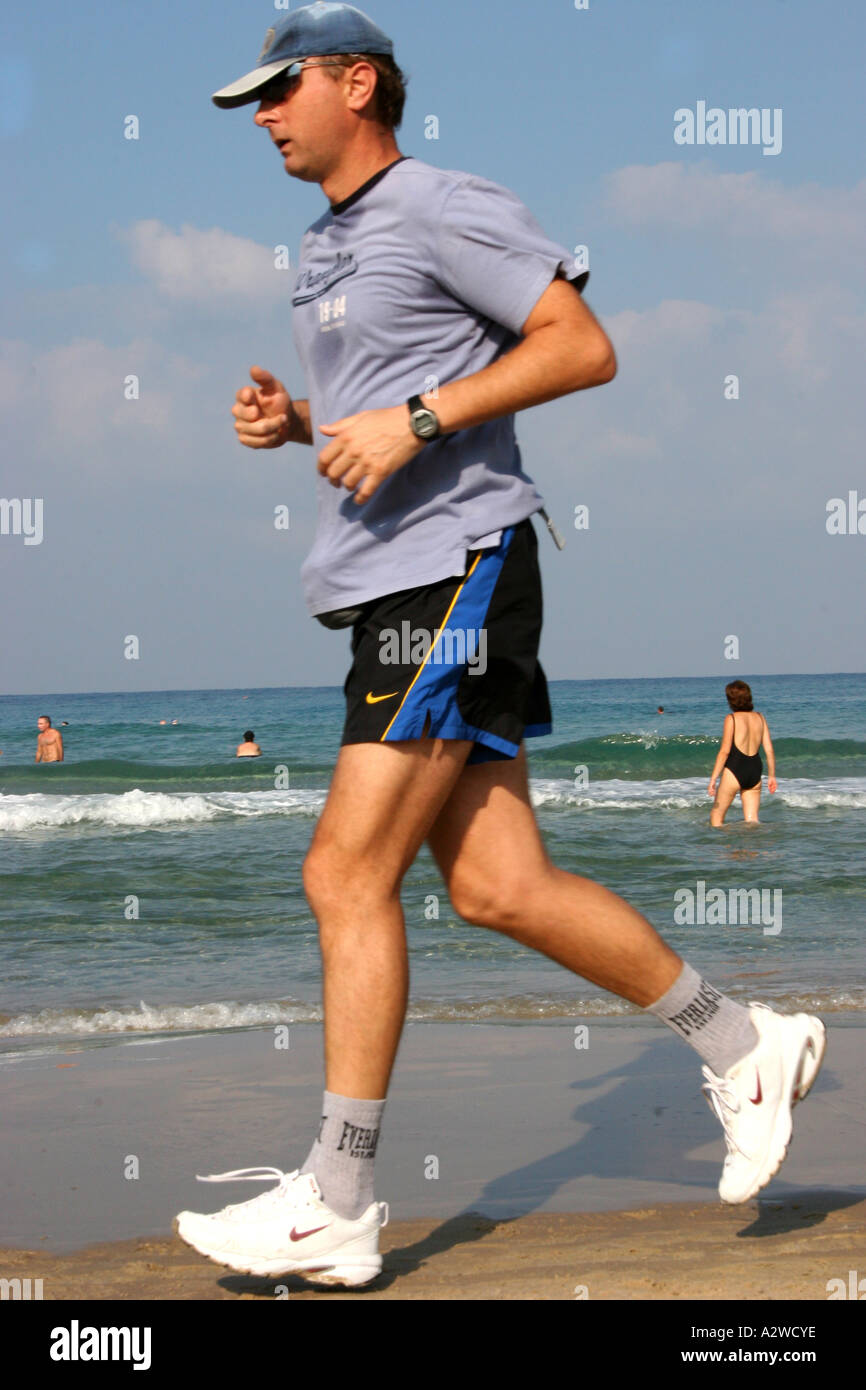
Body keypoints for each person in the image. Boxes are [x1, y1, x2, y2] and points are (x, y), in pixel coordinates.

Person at [175, 4, 826, 1288]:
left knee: (341, 874)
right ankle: (742, 1042)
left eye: (280, 88)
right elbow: (391, 406)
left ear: (357, 82)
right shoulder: (327, 241)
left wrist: (414, 420)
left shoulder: (440, 203)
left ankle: (339, 1197)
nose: (262, 114)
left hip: (455, 573)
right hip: (390, 580)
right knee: (495, 887)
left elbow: (580, 346)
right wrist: (307, 419)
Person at [708, 680, 777, 827]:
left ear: (730, 700)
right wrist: (772, 776)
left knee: (716, 817)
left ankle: (723, 849)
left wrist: (713, 779)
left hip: (735, 768)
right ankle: (752, 850)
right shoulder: (760, 717)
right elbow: (769, 749)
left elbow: (724, 752)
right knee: (752, 822)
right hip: (755, 770)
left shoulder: (731, 719)